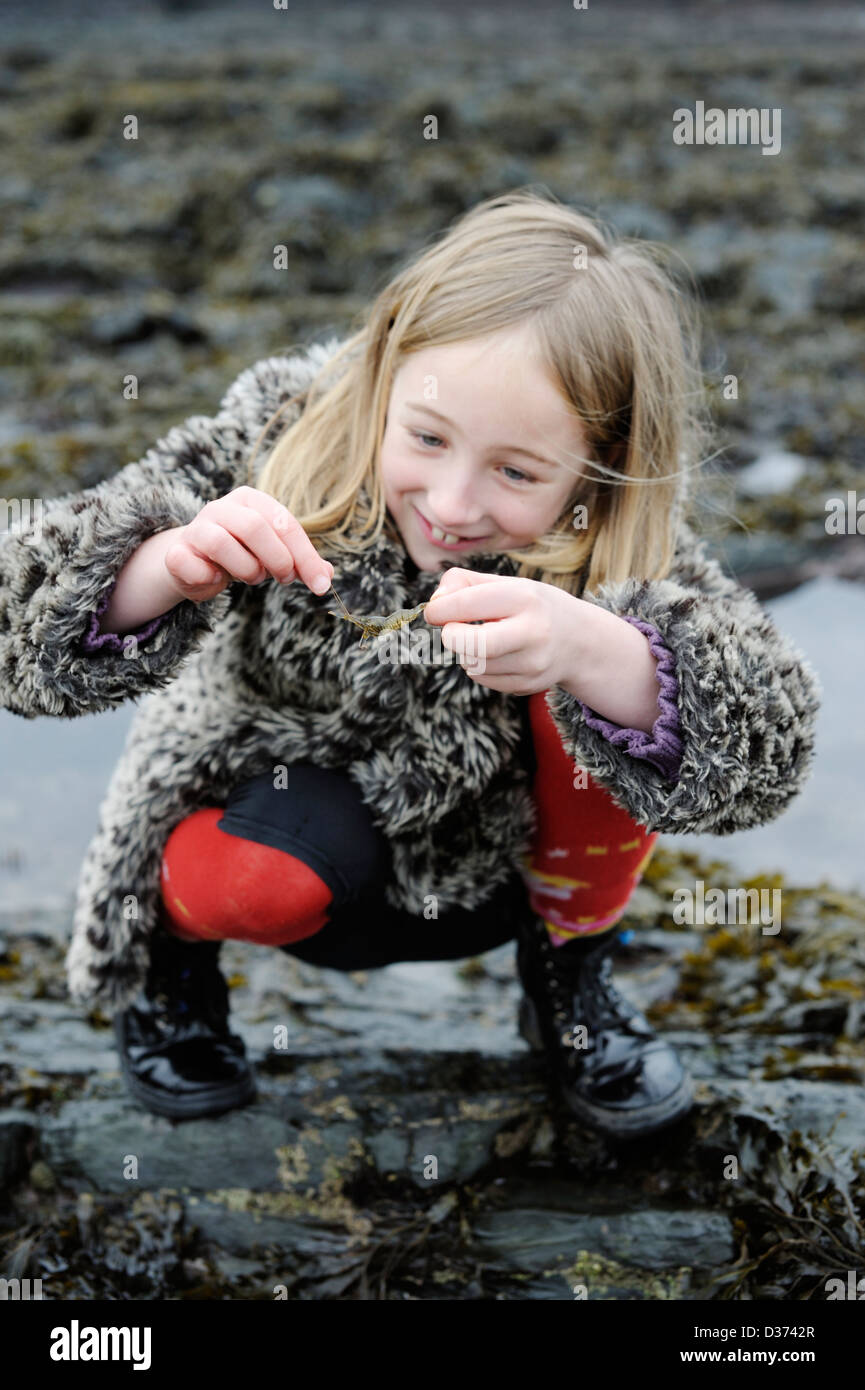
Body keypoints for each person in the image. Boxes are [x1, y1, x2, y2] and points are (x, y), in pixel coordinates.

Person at [0, 189, 822, 1142]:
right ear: (385, 371)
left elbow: (769, 743)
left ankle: (570, 979)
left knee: (629, 662)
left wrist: (592, 647)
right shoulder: (274, 441)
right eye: (426, 438)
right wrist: (158, 570)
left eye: (517, 472)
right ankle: (170, 971)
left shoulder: (615, 537)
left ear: (597, 466)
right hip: (291, 842)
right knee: (257, 883)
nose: (453, 501)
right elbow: (16, 621)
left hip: (498, 875)